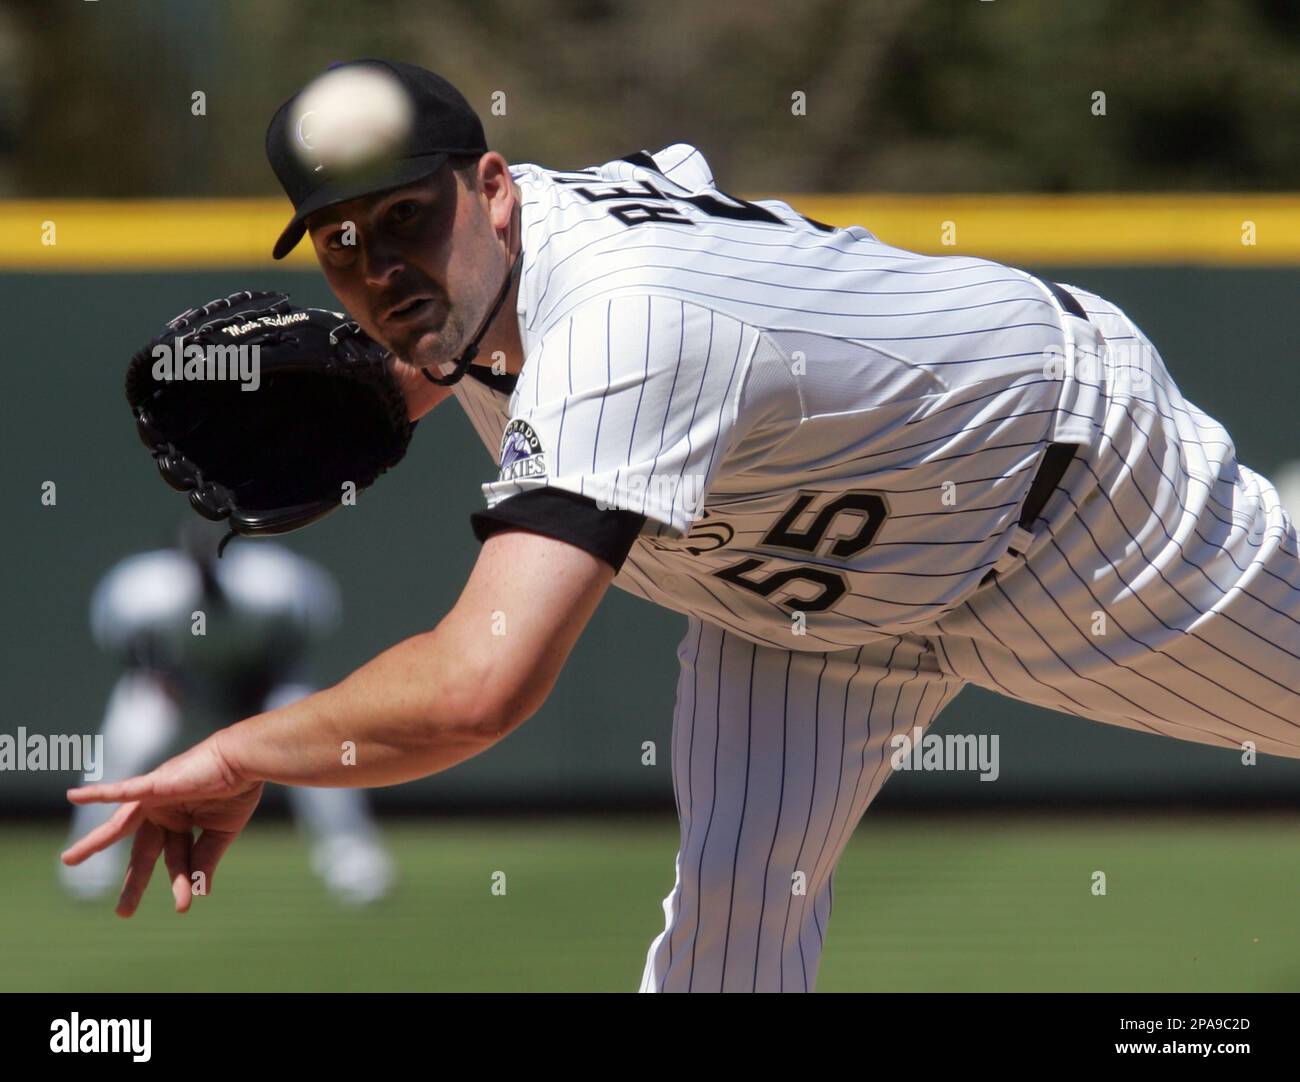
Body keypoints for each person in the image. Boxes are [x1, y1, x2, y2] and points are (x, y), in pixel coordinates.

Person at [63, 59, 1300, 992]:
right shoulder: (489, 284)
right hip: (797, 612)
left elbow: (474, 689)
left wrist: (241, 750)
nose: (379, 268)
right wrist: (384, 391)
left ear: (492, 190)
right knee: (724, 945)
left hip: (1072, 507)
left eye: (405, 221)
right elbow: (496, 323)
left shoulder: (622, 325)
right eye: (341, 242)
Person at [62, 520, 394, 907]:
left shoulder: (272, 579)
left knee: (317, 743)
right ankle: (89, 860)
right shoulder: (144, 587)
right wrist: (161, 675)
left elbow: (309, 625)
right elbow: (118, 638)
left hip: (261, 681)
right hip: (178, 683)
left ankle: (352, 856)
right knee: (128, 736)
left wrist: (263, 682)